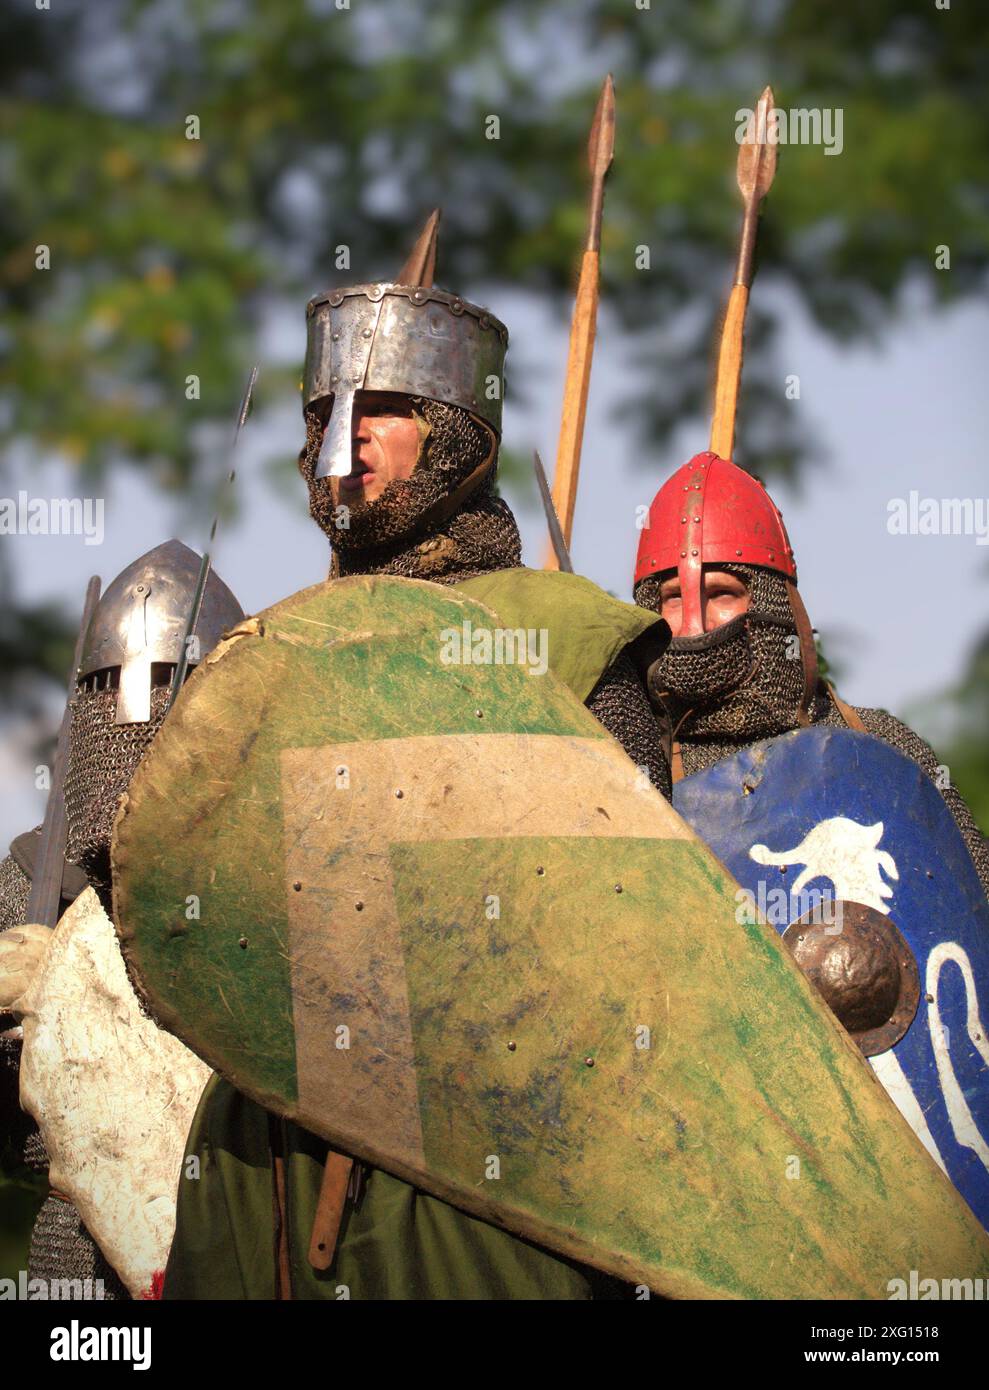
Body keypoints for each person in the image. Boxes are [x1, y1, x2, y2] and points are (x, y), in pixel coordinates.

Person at [163, 218, 672, 1299]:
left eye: (382, 409)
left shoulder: (565, 641)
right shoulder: (273, 656)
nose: (343, 440)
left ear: (454, 430)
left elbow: (640, 949)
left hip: (477, 1189)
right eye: (323, 414)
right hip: (257, 1172)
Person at [0, 541, 243, 1297]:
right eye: (117, 688)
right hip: (77, 1260)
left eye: (182, 686)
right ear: (90, 712)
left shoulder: (261, 888)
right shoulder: (25, 885)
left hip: (234, 1241)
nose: (144, 710)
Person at [631, 449, 989, 898]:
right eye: (673, 598)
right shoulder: (632, 761)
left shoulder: (879, 744)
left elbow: (972, 911)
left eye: (721, 593)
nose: (694, 624)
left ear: (770, 604)